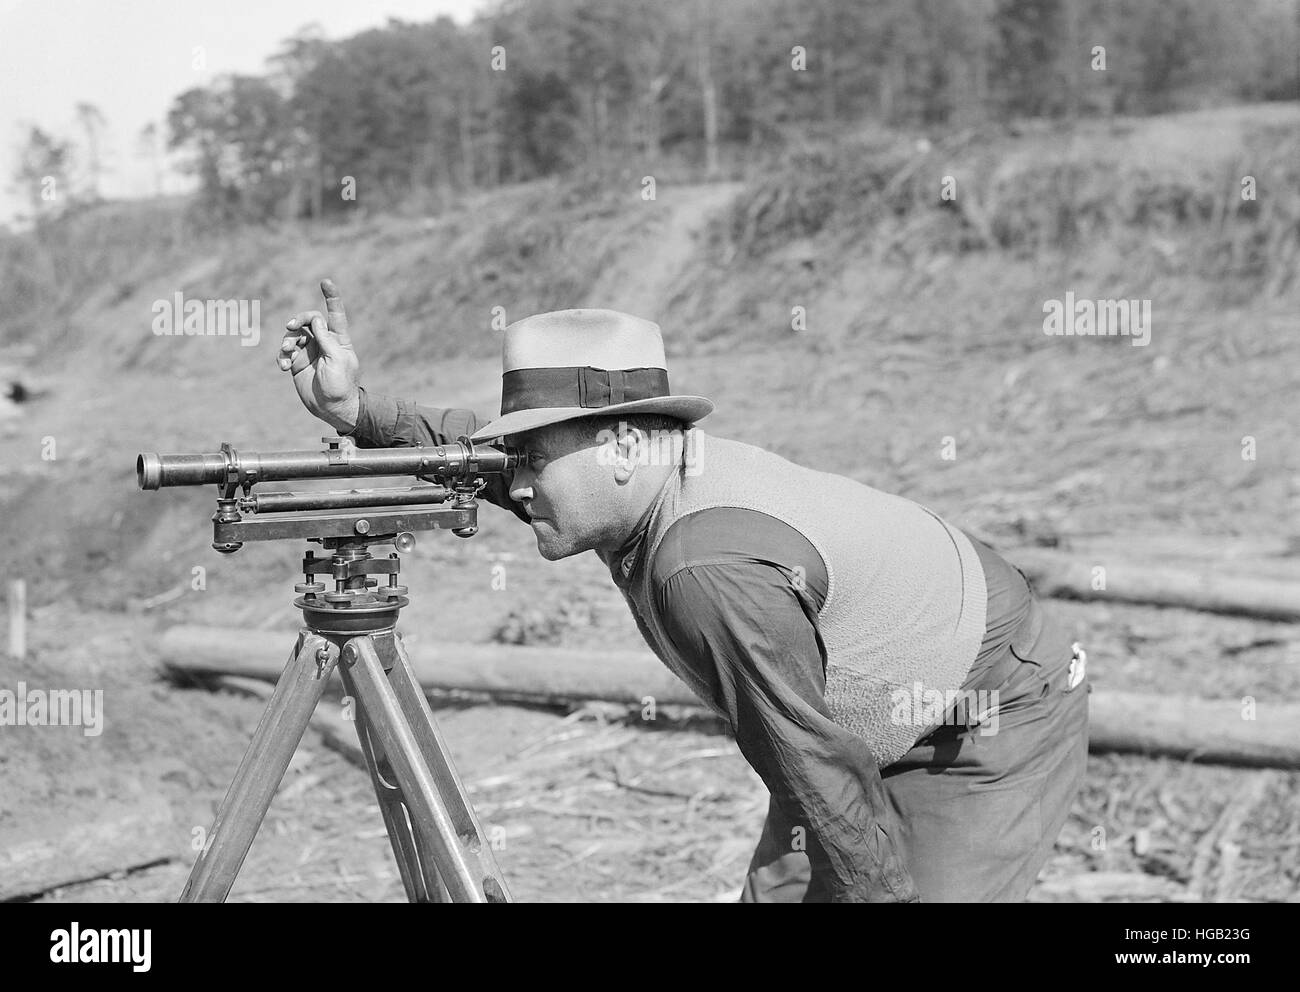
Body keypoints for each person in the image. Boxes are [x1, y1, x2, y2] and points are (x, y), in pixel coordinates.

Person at [278, 279, 1090, 903]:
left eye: (531, 459)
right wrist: (359, 411)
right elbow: (479, 452)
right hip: (858, 718)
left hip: (985, 710)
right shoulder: (629, 483)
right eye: (511, 459)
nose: (513, 485)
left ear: (627, 442)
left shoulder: (705, 569)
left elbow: (815, 766)